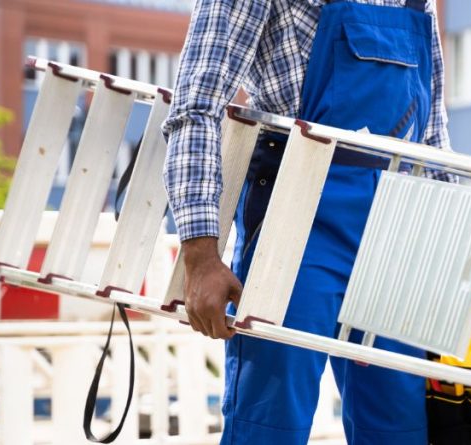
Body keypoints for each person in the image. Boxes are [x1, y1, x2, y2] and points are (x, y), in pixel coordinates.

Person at [162, 0, 454, 443]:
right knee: (270, 423)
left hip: (398, 227)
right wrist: (201, 254)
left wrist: (450, 260)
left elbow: (432, 136)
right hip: (296, 220)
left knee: (399, 426)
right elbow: (197, 106)